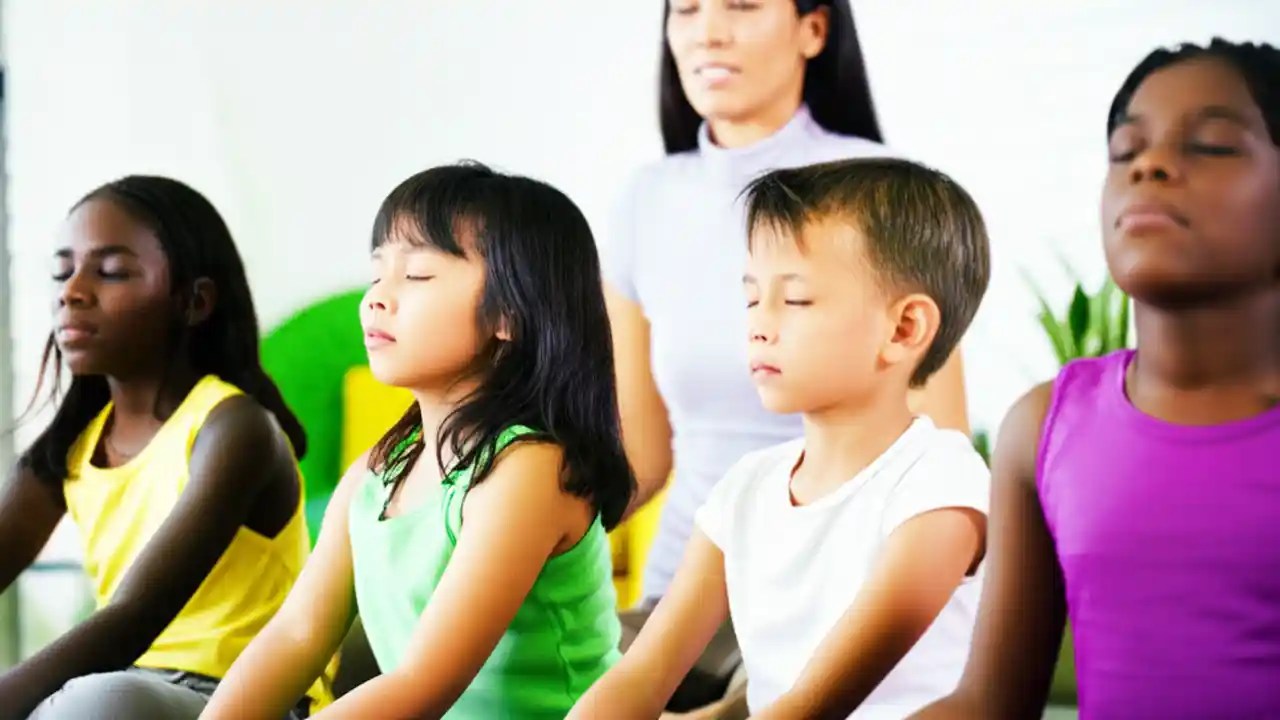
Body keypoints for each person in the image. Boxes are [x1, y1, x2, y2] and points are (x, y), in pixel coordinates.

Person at [606, 5, 974, 707]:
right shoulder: (644, 201)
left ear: (814, 29)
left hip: (834, 602)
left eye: (742, 4)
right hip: (683, 596)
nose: (708, 30)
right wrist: (513, 548)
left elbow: (936, 446)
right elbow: (637, 455)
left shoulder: (882, 188)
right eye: (685, 8)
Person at [913, 39, 1280, 719]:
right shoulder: (1044, 429)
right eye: (1125, 152)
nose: (1151, 166)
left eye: (1213, 145)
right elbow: (990, 703)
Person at [201, 162, 636, 719]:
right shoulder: (378, 469)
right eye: (378, 271)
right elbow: (297, 635)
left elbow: (423, 685)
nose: (376, 297)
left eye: (419, 275)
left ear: (509, 314)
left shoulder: (529, 470)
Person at [573, 157, 992, 720]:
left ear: (904, 329)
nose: (758, 324)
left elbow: (809, 708)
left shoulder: (941, 481)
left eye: (794, 300)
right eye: (751, 297)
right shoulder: (744, 490)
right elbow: (643, 677)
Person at [0, 176, 332, 719]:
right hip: (127, 687)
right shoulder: (69, 448)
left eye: (110, 272)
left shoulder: (235, 429)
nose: (72, 291)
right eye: (63, 271)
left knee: (92, 703)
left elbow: (136, 615)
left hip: (243, 699)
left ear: (194, 301)